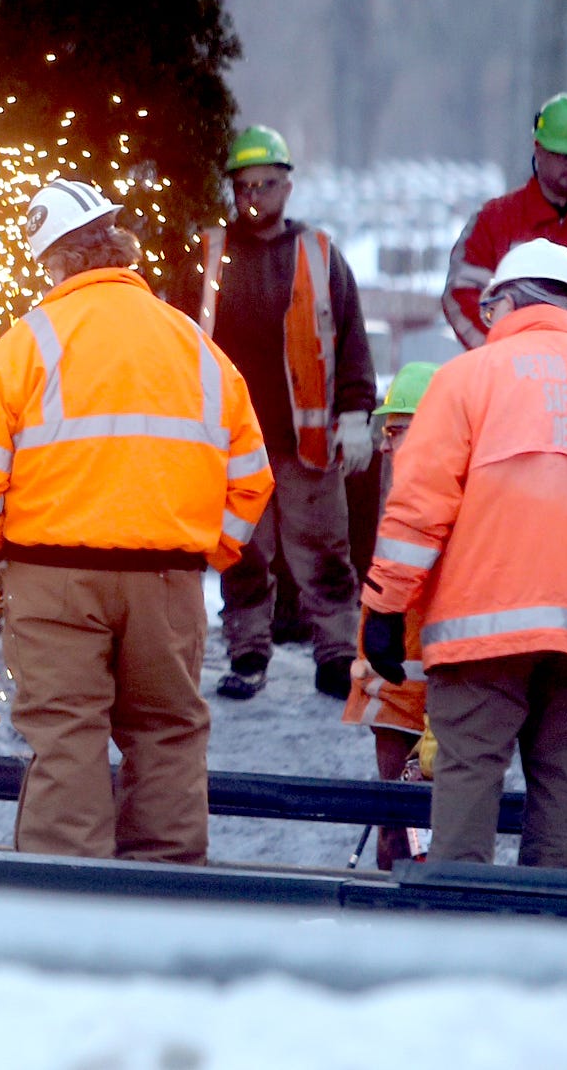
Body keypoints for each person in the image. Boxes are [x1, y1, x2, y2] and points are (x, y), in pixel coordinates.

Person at [0, 178, 272, 865]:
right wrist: (211, 551)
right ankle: (166, 889)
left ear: (53, 261)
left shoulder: (24, 345)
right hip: (168, 579)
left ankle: (70, 899)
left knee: (65, 736)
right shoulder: (193, 345)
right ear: (118, 247)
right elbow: (251, 476)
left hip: (53, 577)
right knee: (167, 734)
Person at [363, 238, 567, 870]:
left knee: (468, 779)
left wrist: (385, 608)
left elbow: (417, 508)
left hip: (481, 632)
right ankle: (551, 926)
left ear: (504, 302)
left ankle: (462, 923)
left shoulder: (465, 379)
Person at [187, 125, 377, 702]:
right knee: (242, 555)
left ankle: (336, 654)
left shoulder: (318, 254)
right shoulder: (210, 254)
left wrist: (355, 413)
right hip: (233, 439)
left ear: (287, 187)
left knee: (324, 556)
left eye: (265, 184)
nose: (254, 197)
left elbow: (350, 337)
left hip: (305, 442)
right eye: (244, 186)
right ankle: (247, 654)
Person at [341, 361, 439, 870]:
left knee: (410, 846)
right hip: (398, 701)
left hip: (422, 708)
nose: (384, 444)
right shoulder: (405, 497)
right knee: (397, 839)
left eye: (396, 430)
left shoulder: (438, 506)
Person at [445, 92, 567, 350]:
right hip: (513, 368)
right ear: (538, 149)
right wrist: (500, 352)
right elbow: (461, 294)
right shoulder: (494, 221)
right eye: (564, 155)